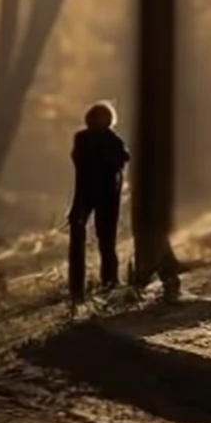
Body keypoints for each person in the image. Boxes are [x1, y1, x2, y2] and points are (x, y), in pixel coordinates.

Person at [68, 102, 129, 300]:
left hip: (107, 196)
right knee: (79, 241)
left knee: (106, 241)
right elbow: (81, 164)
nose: (98, 121)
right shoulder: (83, 138)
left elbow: (120, 161)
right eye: (96, 117)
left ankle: (109, 284)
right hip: (86, 193)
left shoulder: (113, 141)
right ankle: (76, 289)